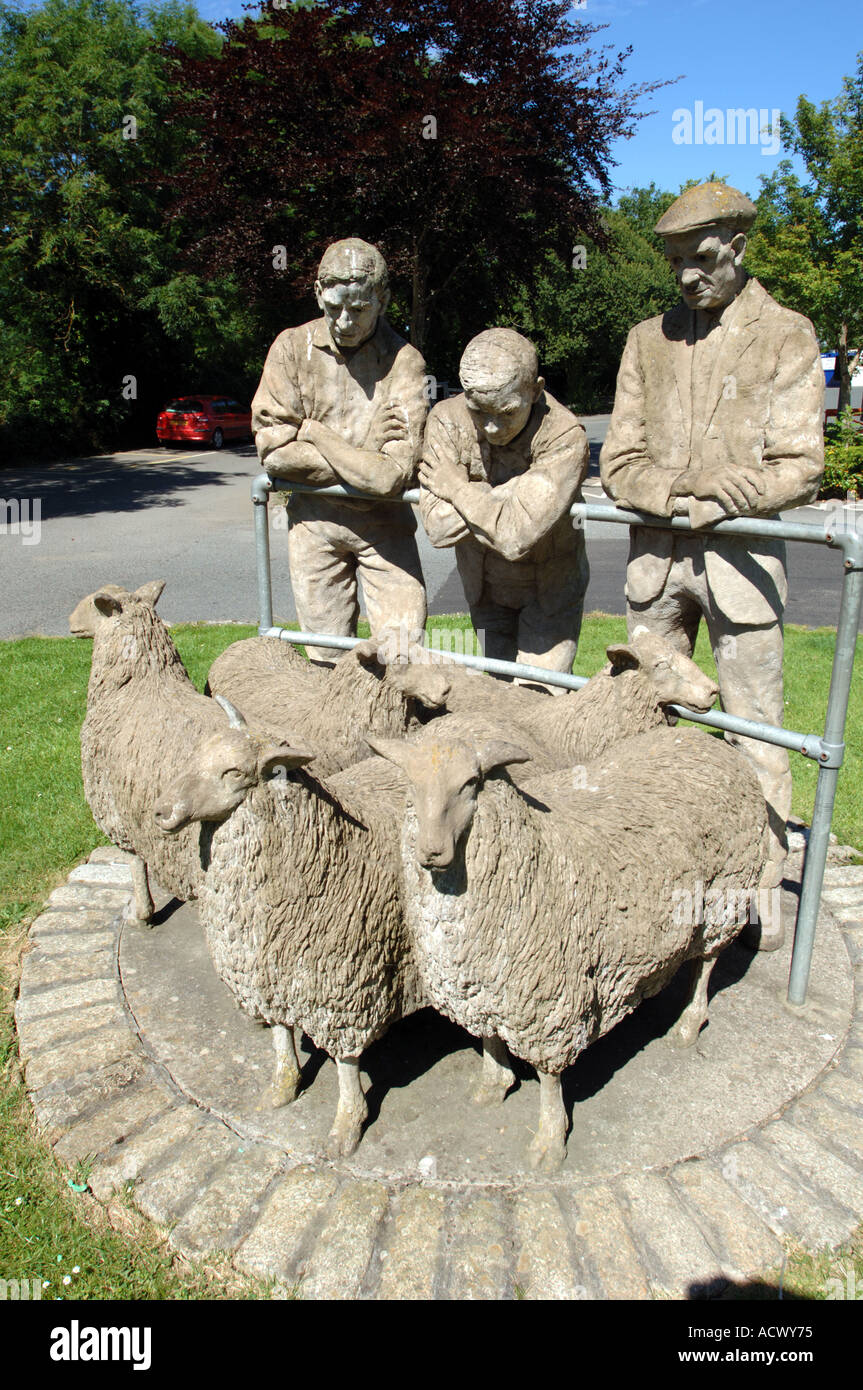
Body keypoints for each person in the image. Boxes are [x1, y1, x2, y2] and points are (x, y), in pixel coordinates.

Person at [599, 182, 824, 948]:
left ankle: (759, 891)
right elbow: (618, 463)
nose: (686, 277)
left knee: (755, 732)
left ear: (737, 248)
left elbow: (802, 467)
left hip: (743, 570)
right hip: (654, 565)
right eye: (672, 264)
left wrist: (732, 497)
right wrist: (691, 490)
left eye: (699, 259)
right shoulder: (645, 339)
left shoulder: (786, 334)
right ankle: (641, 875)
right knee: (640, 723)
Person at [252, 237, 428, 663]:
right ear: (318, 294)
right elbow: (274, 453)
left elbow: (389, 477)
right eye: (334, 307)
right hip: (314, 523)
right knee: (325, 660)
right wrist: (364, 452)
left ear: (382, 300)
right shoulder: (291, 349)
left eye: (360, 308)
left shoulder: (405, 362)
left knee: (402, 657)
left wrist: (314, 432)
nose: (345, 321)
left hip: (385, 526)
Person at [419, 328, 589, 683]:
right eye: (479, 411)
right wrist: (514, 496)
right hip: (485, 587)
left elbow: (516, 536)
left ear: (536, 390)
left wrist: (457, 488)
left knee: (540, 698)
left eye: (507, 412)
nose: (493, 427)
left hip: (550, 589)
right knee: (493, 695)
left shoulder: (564, 434)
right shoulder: (447, 420)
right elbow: (437, 525)